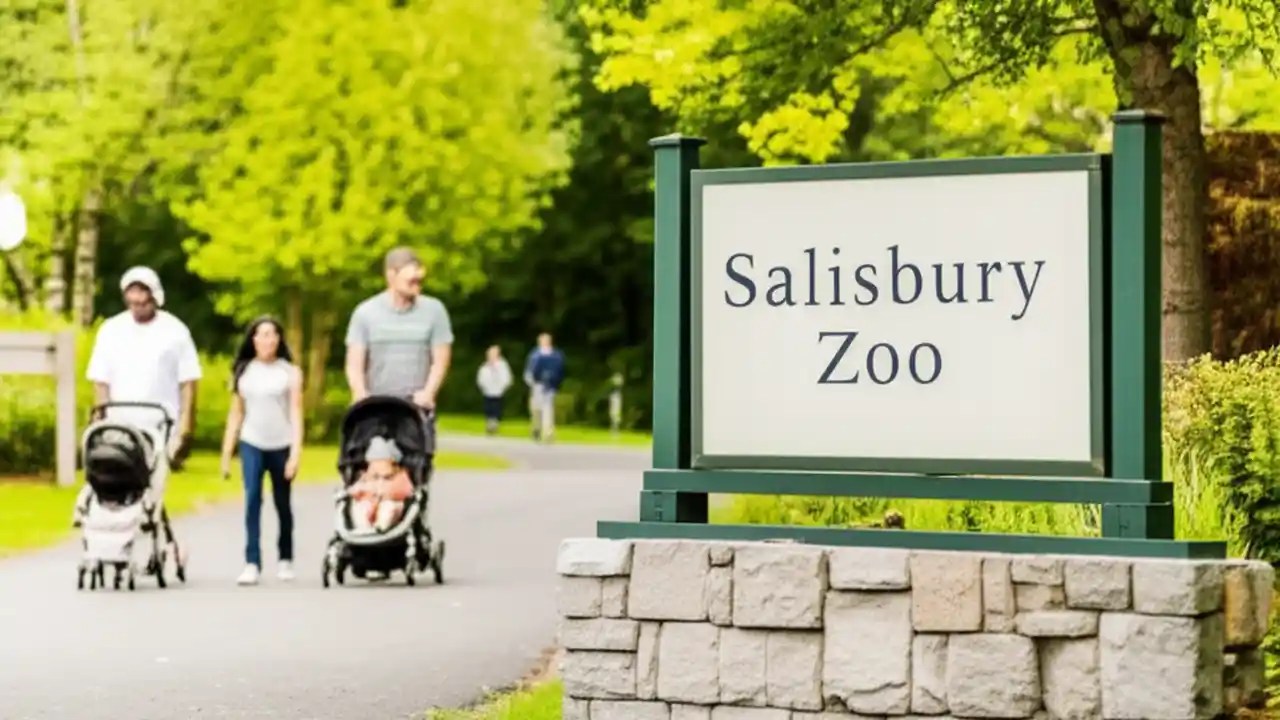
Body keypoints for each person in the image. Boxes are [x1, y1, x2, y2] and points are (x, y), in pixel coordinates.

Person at [85, 266, 202, 472]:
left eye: (143, 296)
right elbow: (101, 380)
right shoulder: (111, 330)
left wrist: (184, 430)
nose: (138, 303)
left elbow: (188, 384)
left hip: (160, 424)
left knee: (152, 483)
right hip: (118, 425)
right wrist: (99, 420)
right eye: (133, 297)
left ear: (154, 297)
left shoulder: (175, 331)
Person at [219, 316, 303, 586]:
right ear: (253, 339)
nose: (267, 340)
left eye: (272, 335)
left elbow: (296, 413)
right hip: (252, 441)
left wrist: (295, 454)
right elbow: (236, 414)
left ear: (279, 340)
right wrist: (226, 454)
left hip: (280, 443)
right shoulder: (244, 372)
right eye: (262, 334)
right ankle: (252, 561)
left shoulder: (289, 373)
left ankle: (286, 558)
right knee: (252, 499)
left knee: (282, 503)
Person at [344, 246, 454, 416]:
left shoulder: (435, 311)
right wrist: (360, 393)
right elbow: (354, 364)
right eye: (411, 281)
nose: (417, 285)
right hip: (376, 406)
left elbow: (440, 361)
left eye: (419, 281)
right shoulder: (365, 312)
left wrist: (429, 393)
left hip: (416, 407)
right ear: (391, 275)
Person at [523, 332, 565, 443]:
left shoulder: (556, 356)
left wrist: (555, 383)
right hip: (537, 384)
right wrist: (531, 382)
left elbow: (560, 371)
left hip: (550, 385)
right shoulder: (535, 355)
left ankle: (548, 433)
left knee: (547, 408)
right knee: (536, 409)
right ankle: (536, 429)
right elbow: (529, 370)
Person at [476, 345, 513, 434]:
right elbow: (481, 377)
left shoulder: (502, 365)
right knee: (488, 408)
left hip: (498, 391)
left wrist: (503, 387)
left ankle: (495, 424)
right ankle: (489, 424)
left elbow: (507, 378)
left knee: (497, 408)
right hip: (487, 391)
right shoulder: (485, 366)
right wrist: (483, 386)